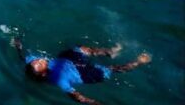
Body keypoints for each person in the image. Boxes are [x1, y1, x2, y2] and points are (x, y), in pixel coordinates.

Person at [11, 37, 152, 104]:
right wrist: (95, 103)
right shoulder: (59, 80)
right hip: (84, 74)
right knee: (114, 69)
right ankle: (138, 62)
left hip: (67, 61)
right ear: (43, 73)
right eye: (40, 62)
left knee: (82, 49)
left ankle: (110, 52)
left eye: (37, 60)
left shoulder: (31, 62)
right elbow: (78, 97)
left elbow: (22, 56)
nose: (40, 59)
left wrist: (17, 44)